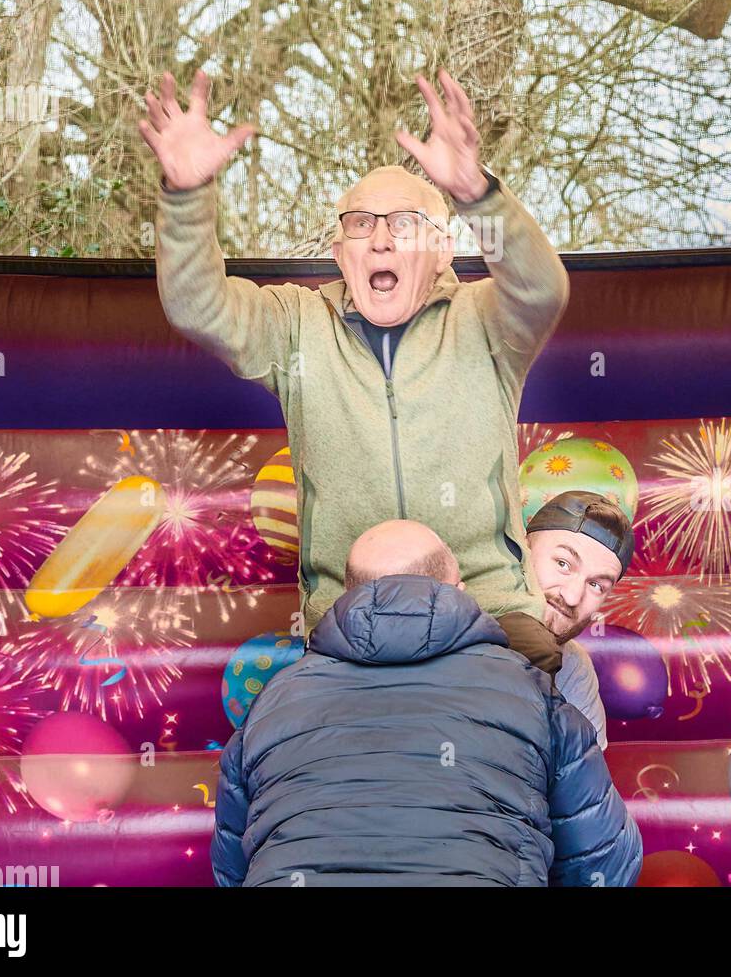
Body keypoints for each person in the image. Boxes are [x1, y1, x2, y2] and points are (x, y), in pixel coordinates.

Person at [141, 66, 570, 673]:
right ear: (340, 253)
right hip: (352, 621)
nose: (380, 242)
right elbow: (196, 304)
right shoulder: (294, 323)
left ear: (443, 248)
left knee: (520, 755)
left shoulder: (487, 320)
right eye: (360, 225)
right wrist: (186, 197)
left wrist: (477, 194)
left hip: (490, 611)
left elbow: (540, 288)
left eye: (403, 225)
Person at [210, 520, 642, 887]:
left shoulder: (274, 702)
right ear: (458, 589)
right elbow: (604, 864)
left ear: (349, 593)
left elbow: (231, 868)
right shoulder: (531, 691)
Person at [527, 490, 636, 750]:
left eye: (596, 585)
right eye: (563, 563)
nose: (573, 596)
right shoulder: (457, 629)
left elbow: (585, 782)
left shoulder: (574, 667)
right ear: (523, 549)